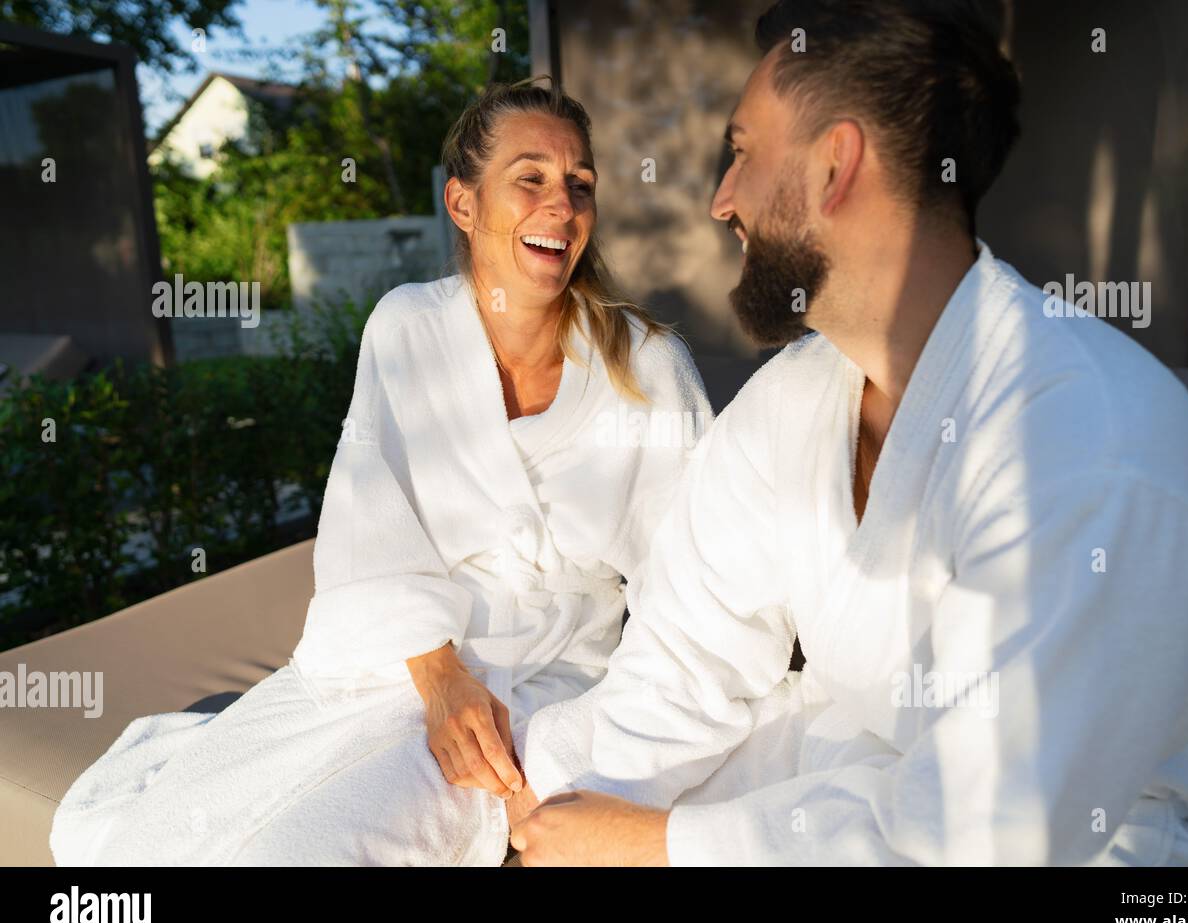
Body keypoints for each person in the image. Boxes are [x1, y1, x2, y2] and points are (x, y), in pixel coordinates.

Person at [507, 0, 1188, 866]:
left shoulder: (1091, 434)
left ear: (836, 163)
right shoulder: (792, 403)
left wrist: (660, 845)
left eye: (744, 153)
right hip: (858, 797)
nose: (722, 200)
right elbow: (685, 665)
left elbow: (993, 833)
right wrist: (540, 801)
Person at [49, 78, 713, 866]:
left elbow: (698, 583)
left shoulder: (644, 366)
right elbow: (370, 523)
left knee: (294, 852)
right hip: (400, 656)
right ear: (462, 205)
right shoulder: (408, 327)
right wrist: (439, 679)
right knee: (132, 837)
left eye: (579, 184)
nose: (561, 206)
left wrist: (610, 743)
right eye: (529, 178)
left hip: (548, 680)